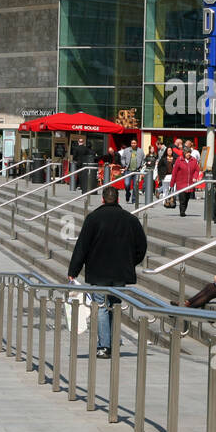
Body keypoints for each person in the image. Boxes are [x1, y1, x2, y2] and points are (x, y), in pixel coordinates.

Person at [68, 186, 148, 358]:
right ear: (117, 199)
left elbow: (82, 246)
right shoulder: (130, 219)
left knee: (103, 307)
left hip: (99, 272)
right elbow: (141, 246)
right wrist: (131, 262)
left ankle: (104, 346)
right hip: (120, 272)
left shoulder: (93, 218)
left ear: (103, 199)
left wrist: (73, 270)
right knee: (115, 305)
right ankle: (112, 341)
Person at [171, 145, 202, 216]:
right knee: (182, 198)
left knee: (187, 198)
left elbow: (197, 170)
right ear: (184, 153)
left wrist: (195, 177)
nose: (189, 154)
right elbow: (174, 172)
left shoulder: (193, 160)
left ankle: (184, 209)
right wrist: (172, 183)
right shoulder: (179, 160)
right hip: (181, 183)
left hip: (190, 183)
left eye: (189, 153)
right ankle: (182, 212)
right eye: (187, 153)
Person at [121, 138, 145, 205]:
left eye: (134, 143)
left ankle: (134, 200)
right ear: (130, 144)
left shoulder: (140, 151)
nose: (133, 144)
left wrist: (141, 165)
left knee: (135, 186)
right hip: (128, 170)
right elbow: (122, 158)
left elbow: (143, 159)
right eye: (132, 143)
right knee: (127, 184)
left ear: (137, 143)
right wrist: (124, 165)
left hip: (136, 171)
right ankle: (128, 193)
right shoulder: (126, 150)